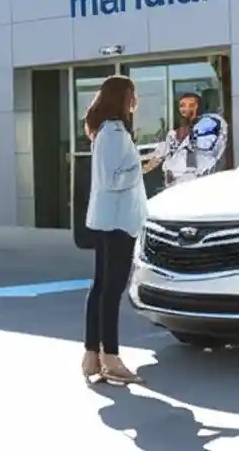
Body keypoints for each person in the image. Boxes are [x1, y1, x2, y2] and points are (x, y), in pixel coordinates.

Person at [81, 74, 149, 384]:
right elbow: (115, 179)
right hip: (118, 222)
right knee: (110, 291)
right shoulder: (113, 132)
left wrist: (139, 163)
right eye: (133, 94)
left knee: (101, 288)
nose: (136, 101)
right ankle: (110, 357)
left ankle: (93, 355)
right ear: (122, 98)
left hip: (111, 220)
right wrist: (140, 166)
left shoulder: (107, 132)